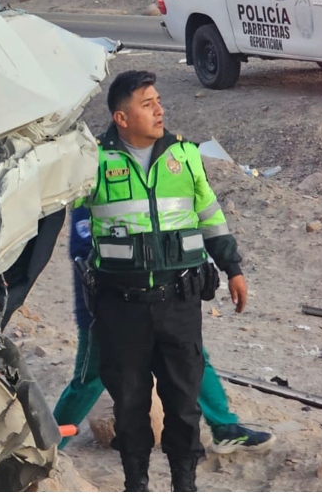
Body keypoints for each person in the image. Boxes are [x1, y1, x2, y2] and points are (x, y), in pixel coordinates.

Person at [81, 70, 248, 492]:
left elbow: (210, 214)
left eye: (158, 100)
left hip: (179, 302)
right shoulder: (94, 161)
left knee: (183, 406)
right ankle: (135, 484)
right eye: (147, 103)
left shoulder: (185, 155)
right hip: (121, 307)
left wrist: (233, 268)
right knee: (131, 406)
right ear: (121, 117)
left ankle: (184, 484)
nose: (160, 110)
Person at [53, 206, 275, 454]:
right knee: (90, 379)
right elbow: (84, 252)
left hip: (159, 299)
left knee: (191, 358)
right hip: (107, 307)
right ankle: (45, 445)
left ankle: (224, 427)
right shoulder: (94, 182)